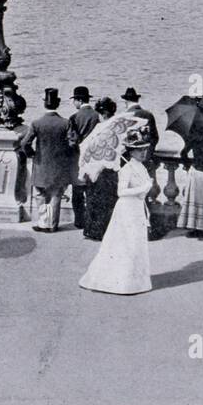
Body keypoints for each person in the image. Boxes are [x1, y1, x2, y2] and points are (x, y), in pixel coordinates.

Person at [79, 123, 154, 295]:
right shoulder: (126, 168)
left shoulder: (140, 167)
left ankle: (135, 280)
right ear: (130, 151)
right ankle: (120, 280)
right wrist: (143, 188)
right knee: (125, 244)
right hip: (127, 209)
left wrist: (144, 187)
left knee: (135, 244)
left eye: (145, 149)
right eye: (139, 150)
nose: (143, 153)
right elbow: (121, 192)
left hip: (136, 209)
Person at [18, 88, 75, 232]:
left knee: (40, 194)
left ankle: (43, 223)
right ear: (58, 103)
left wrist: (32, 154)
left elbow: (25, 143)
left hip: (40, 163)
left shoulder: (37, 123)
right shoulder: (65, 122)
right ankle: (53, 225)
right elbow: (73, 142)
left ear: (45, 104)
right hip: (58, 165)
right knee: (56, 194)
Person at [83, 97, 119, 240]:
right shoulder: (117, 126)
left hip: (97, 168)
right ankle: (107, 230)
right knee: (109, 201)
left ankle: (95, 230)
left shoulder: (100, 128)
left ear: (102, 113)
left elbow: (89, 147)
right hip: (111, 169)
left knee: (95, 200)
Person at [66, 86, 99, 231]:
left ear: (79, 100)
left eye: (75, 100)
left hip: (78, 159)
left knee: (78, 193)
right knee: (92, 191)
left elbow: (71, 141)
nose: (74, 103)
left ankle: (79, 221)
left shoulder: (74, 117)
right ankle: (93, 220)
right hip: (94, 159)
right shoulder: (98, 115)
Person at [120, 86, 159, 151]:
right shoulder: (149, 114)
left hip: (130, 153)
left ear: (126, 102)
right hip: (148, 152)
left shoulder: (125, 116)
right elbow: (155, 138)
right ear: (137, 100)